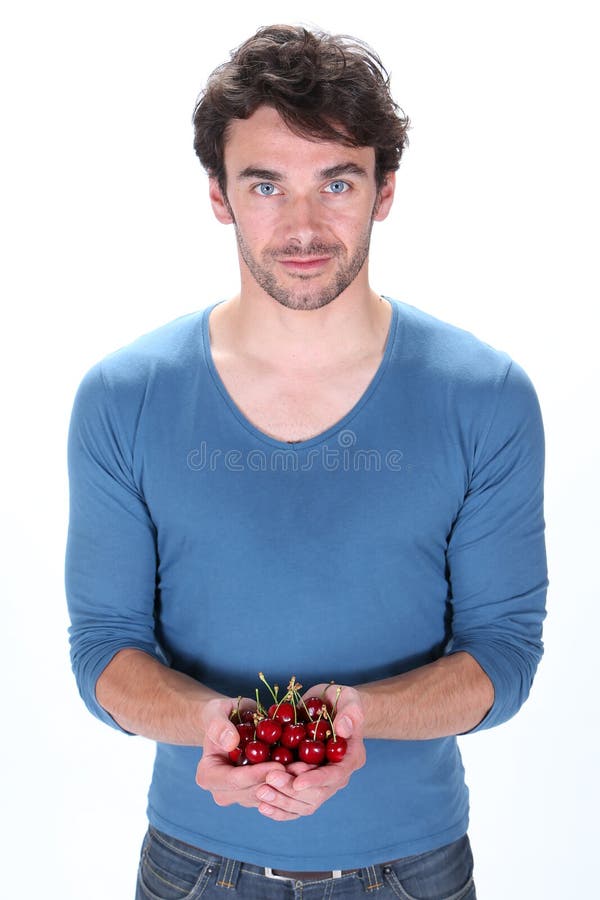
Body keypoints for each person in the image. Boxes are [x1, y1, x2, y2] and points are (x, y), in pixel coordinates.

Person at [65, 23, 548, 900]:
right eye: (265, 184)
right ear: (219, 195)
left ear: (384, 190)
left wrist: (360, 717)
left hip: (414, 871)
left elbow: (503, 657)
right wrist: (212, 723)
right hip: (193, 868)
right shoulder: (124, 396)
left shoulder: (484, 396)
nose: (302, 225)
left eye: (336, 181)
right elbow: (104, 649)